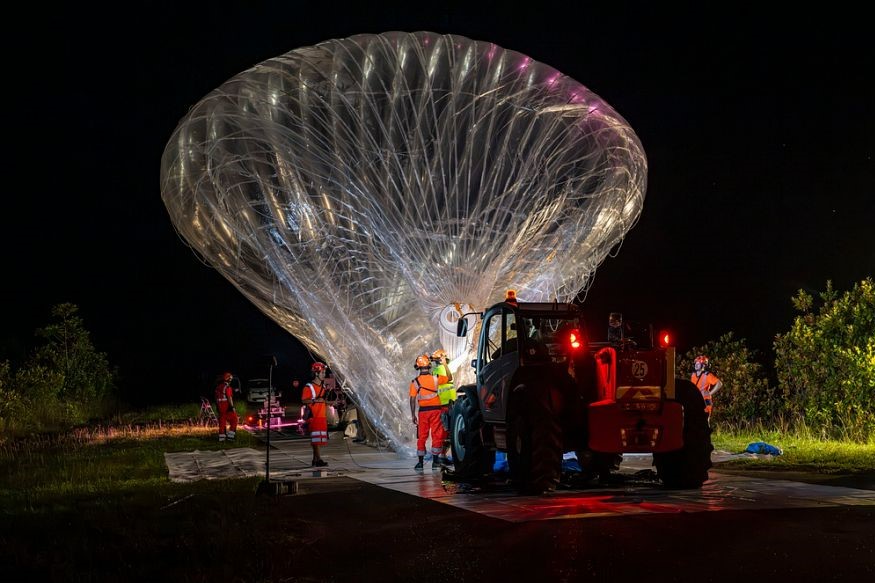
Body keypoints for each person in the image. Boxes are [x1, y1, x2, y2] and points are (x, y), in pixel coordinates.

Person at [409, 354, 449, 470]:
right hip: (436, 410)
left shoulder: (415, 382)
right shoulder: (436, 378)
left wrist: (413, 415)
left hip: (423, 412)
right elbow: (449, 377)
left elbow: (412, 399)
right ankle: (435, 462)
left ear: (417, 366)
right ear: (429, 365)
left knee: (422, 436)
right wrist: (445, 364)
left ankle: (420, 463)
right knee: (437, 435)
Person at [302, 362, 330, 467]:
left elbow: (322, 401)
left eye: (324, 373)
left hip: (322, 416)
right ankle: (318, 460)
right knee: (316, 440)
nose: (324, 375)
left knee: (319, 439)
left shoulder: (323, 386)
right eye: (322, 373)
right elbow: (304, 400)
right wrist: (315, 400)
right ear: (316, 373)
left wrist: (330, 403)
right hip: (314, 417)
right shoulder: (309, 387)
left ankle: (315, 460)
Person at [431, 348, 455, 464]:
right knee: (446, 432)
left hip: (446, 404)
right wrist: (445, 364)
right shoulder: (440, 369)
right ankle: (442, 456)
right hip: (444, 405)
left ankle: (442, 455)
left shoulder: (439, 369)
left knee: (447, 431)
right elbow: (449, 378)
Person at [691, 355, 723, 419]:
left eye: (698, 363)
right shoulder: (693, 375)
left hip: (705, 403)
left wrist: (710, 393)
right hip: (695, 402)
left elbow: (719, 383)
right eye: (696, 363)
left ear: (703, 365)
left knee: (704, 421)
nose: (696, 365)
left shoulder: (707, 375)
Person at [215, 372, 238, 442]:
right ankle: (231, 437)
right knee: (234, 420)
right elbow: (229, 398)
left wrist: (218, 407)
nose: (231, 380)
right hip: (227, 407)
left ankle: (222, 438)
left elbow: (216, 398)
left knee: (222, 422)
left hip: (220, 407)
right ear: (228, 379)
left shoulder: (218, 387)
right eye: (230, 379)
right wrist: (232, 407)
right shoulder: (227, 387)